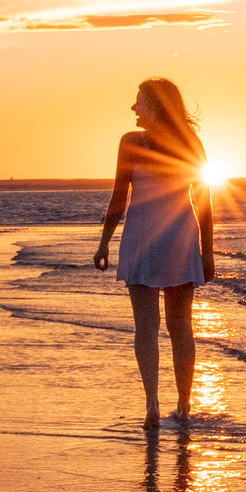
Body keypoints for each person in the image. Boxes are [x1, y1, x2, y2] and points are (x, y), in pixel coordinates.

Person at [92, 77, 216, 428]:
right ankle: (184, 405)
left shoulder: (131, 142)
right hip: (180, 241)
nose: (134, 108)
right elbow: (204, 201)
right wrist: (207, 253)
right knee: (182, 329)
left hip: (143, 241)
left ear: (155, 106)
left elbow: (119, 198)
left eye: (139, 102)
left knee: (146, 327)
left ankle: (151, 404)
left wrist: (104, 243)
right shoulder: (191, 144)